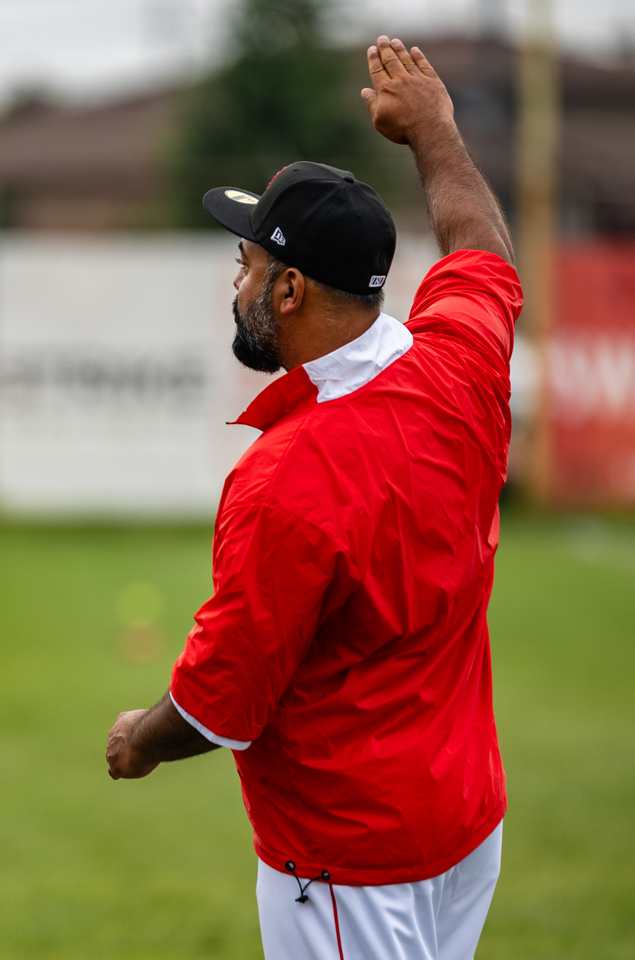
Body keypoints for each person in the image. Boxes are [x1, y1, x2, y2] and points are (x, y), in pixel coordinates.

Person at [105, 37, 520, 960]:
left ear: (291, 289)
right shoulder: (459, 363)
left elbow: (222, 700)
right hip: (466, 825)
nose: (238, 281)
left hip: (348, 862)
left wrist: (141, 739)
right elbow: (484, 253)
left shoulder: (288, 477)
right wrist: (436, 132)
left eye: (249, 263)